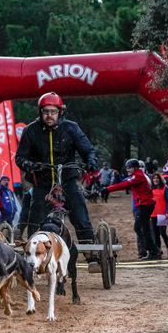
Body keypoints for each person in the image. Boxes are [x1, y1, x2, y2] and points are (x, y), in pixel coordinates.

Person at [15, 92, 99, 269]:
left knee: (80, 216)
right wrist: (31, 165)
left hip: (68, 180)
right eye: (45, 111)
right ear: (40, 112)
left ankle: (91, 255)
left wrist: (91, 161)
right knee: (35, 219)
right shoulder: (30, 131)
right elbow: (20, 157)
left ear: (60, 112)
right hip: (42, 183)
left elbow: (88, 150)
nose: (49, 115)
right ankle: (32, 256)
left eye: (53, 111)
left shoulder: (71, 128)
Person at [107, 159, 161, 260]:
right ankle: (153, 250)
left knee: (140, 228)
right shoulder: (136, 175)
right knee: (143, 229)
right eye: (127, 168)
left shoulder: (138, 176)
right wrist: (116, 179)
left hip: (145, 205)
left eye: (129, 167)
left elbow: (125, 185)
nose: (127, 169)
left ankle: (153, 250)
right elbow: (124, 182)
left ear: (135, 168)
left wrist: (108, 189)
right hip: (144, 205)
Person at [150, 172, 168, 259]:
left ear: (160, 179)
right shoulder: (151, 189)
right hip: (153, 214)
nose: (155, 180)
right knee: (155, 234)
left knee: (162, 232)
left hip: (163, 214)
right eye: (154, 178)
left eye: (157, 178)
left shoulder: (165, 188)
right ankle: (158, 251)